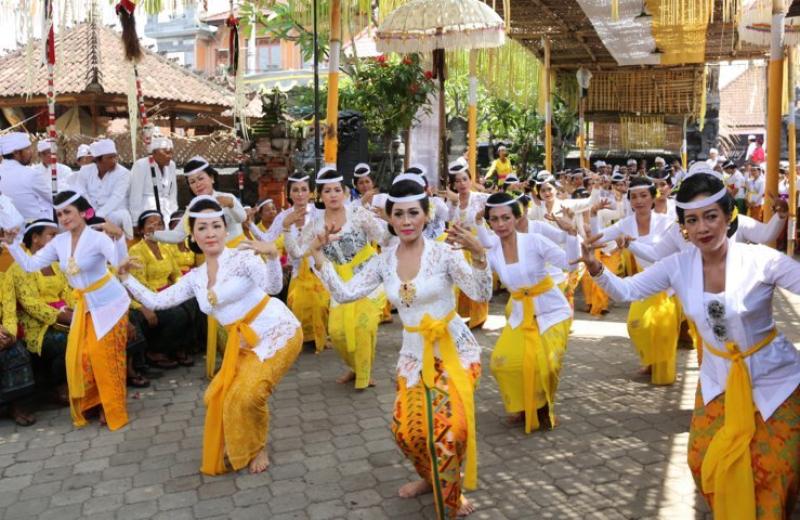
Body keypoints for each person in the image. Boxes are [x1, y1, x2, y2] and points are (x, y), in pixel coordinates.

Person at [583, 172, 800, 520]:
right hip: (719, 379)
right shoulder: (677, 265)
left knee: (773, 467)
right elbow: (627, 291)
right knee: (703, 460)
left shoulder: (761, 260)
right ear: (683, 226)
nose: (703, 228)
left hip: (775, 379)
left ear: (728, 216)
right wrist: (596, 269)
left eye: (711, 216)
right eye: (692, 220)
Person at [311, 178, 491, 518]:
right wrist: (319, 257)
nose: (407, 221)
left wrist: (479, 256)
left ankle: (452, 496)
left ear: (425, 215)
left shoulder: (444, 253)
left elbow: (480, 294)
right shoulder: (383, 261)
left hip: (455, 350)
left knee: (449, 430)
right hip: (413, 354)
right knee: (407, 432)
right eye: (399, 215)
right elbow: (346, 293)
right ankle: (431, 476)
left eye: (413, 213)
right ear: (389, 219)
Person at [118, 196, 301, 475]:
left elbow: (274, 287)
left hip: (278, 330)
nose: (210, 233)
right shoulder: (196, 277)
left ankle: (256, 446)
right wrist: (125, 279)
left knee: (248, 395)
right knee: (216, 397)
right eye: (202, 228)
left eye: (216, 226)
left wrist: (273, 256)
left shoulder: (243, 256)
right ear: (193, 234)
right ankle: (243, 439)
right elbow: (157, 302)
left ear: (225, 230)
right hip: (242, 341)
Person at [2, 191, 131, 430]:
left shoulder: (98, 238)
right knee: (83, 356)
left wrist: (119, 237)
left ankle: (111, 406)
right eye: (59, 214)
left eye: (68, 212)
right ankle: (93, 401)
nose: (63, 217)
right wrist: (12, 245)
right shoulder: (59, 243)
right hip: (85, 306)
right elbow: (30, 265)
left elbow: (119, 263)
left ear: (84, 213)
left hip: (111, 303)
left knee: (103, 355)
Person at [479, 192, 579, 432]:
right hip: (520, 314)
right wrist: (474, 256)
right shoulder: (492, 251)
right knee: (501, 362)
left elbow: (571, 263)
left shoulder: (534, 241)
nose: (501, 224)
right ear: (489, 223)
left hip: (552, 311)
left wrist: (572, 234)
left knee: (544, 364)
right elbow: (481, 288)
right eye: (494, 219)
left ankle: (541, 407)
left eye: (506, 218)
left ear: (516, 218)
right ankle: (522, 402)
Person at [285, 168, 388, 389]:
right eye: (327, 191)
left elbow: (383, 238)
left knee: (364, 325)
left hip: (368, 274)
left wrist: (390, 222)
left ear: (344, 192)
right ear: (319, 195)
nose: (333, 195)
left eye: (336, 190)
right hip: (338, 281)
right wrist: (286, 229)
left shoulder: (358, 213)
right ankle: (355, 368)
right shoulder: (315, 223)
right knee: (338, 332)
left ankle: (364, 375)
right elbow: (296, 252)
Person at [591, 177, 678, 385]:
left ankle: (660, 365)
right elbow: (598, 239)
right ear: (630, 201)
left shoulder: (667, 223)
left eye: (643, 196)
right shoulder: (626, 224)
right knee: (636, 326)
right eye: (635, 197)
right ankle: (649, 358)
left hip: (668, 281)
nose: (639, 201)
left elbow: (657, 255)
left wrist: (631, 246)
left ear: (652, 197)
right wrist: (594, 214)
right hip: (643, 281)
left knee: (663, 328)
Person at [252, 172, 330, 353]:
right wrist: (250, 225)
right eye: (295, 190)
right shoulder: (283, 217)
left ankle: (322, 337)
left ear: (310, 192)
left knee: (322, 303)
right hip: (297, 272)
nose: (300, 194)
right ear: (290, 193)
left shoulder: (319, 213)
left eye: (304, 189)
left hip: (318, 267)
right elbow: (268, 238)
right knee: (297, 304)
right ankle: (304, 338)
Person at [6, 219, 72, 404]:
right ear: (35, 238)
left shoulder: (56, 264)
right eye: (52, 235)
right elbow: (30, 303)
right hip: (37, 326)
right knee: (66, 342)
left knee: (87, 333)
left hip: (65, 316)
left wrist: (75, 311)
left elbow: (67, 290)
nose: (57, 240)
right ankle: (57, 386)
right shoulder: (20, 266)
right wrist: (61, 316)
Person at [128, 210, 194, 368]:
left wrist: (180, 289)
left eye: (159, 223)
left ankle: (178, 347)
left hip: (168, 291)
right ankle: (156, 351)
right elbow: (140, 283)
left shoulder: (165, 247)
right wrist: (164, 296)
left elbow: (176, 274)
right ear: (141, 229)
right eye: (151, 223)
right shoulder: (136, 251)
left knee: (193, 304)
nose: (156, 226)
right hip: (149, 296)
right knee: (177, 314)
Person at [152, 156, 247, 248]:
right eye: (192, 182)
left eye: (201, 178)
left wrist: (231, 204)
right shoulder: (193, 208)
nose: (198, 184)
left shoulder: (227, 198)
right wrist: (153, 234)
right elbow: (178, 235)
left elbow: (242, 218)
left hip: (239, 250)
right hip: (216, 256)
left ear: (212, 178)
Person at [445, 164, 490, 329]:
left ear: (471, 180)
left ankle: (479, 317)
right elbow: (448, 219)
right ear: (454, 185)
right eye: (457, 181)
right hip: (459, 248)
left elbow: (498, 205)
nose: (462, 184)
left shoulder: (480, 198)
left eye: (465, 179)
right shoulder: (452, 202)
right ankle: (464, 314)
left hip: (476, 246)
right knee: (461, 281)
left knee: (477, 279)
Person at [68, 139, 133, 237]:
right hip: (89, 211)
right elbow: (81, 193)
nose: (114, 161)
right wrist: (91, 212)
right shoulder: (85, 171)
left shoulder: (123, 173)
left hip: (112, 212)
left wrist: (98, 216)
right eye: (110, 158)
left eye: (115, 157)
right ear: (98, 160)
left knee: (122, 215)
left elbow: (116, 197)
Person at [0, 132, 53, 221]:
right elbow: (53, 198)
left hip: (7, 231)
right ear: (16, 153)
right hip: (32, 230)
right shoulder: (30, 174)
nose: (31, 152)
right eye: (27, 149)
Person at [128, 135, 178, 223]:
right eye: (166, 152)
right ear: (154, 153)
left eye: (171, 152)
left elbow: (173, 194)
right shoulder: (141, 165)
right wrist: (135, 221)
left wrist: (174, 215)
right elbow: (135, 196)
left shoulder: (172, 165)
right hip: (147, 211)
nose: (170, 156)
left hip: (167, 211)